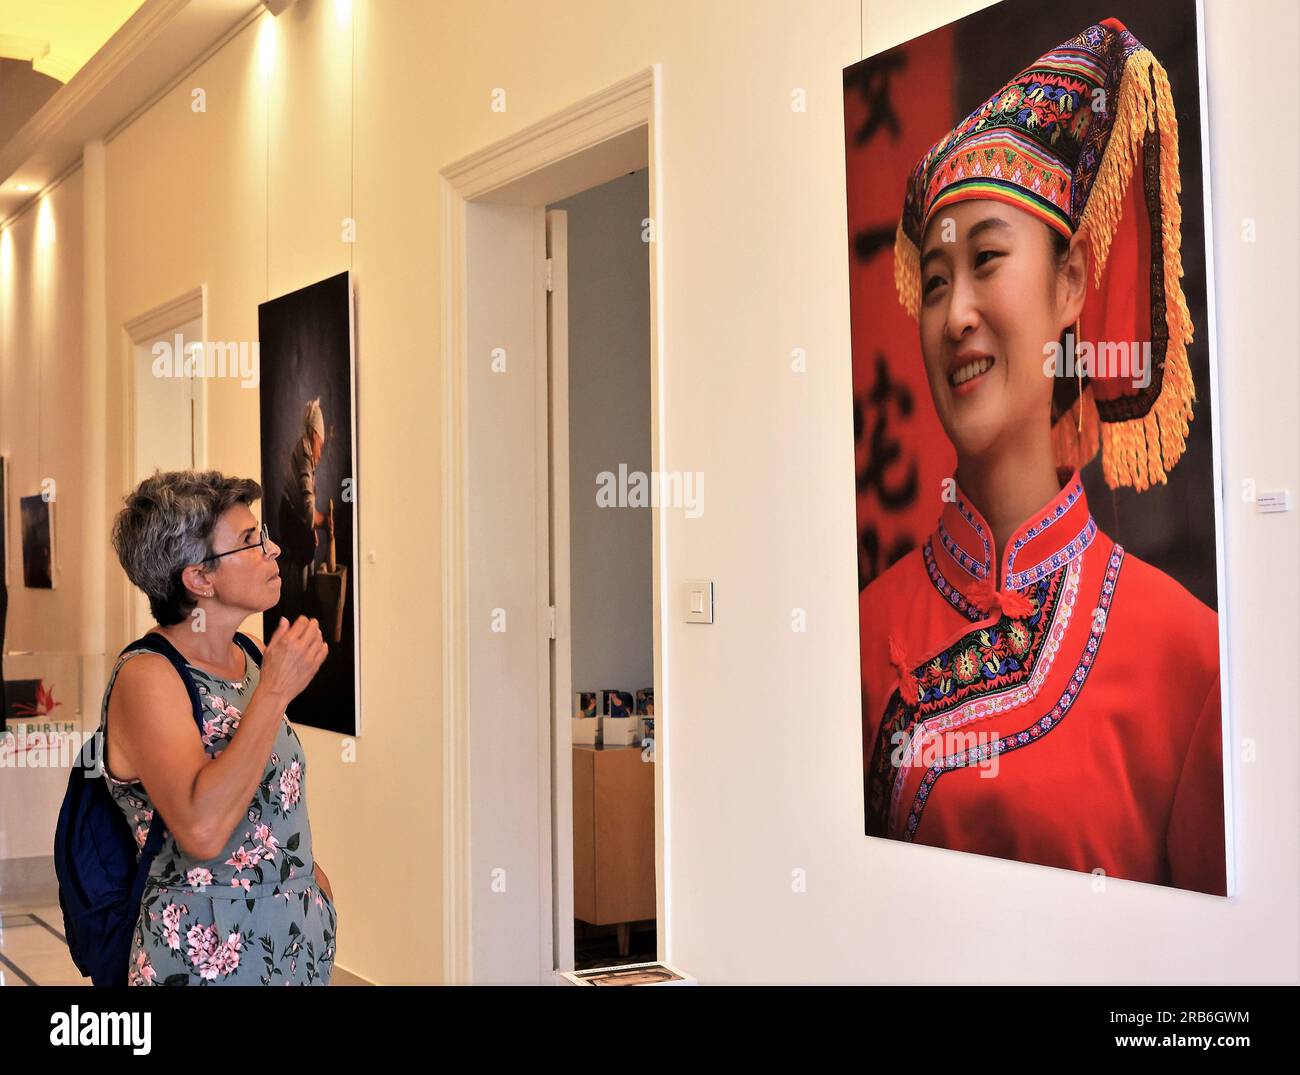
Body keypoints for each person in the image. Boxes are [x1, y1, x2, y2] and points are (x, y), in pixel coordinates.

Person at [859, 18, 1227, 895]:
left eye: (988, 260)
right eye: (937, 282)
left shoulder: (1188, 656)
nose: (955, 317)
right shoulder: (867, 632)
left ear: (1070, 286)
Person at [103, 469, 338, 983]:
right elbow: (203, 830)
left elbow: (269, 796)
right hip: (204, 954)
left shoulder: (251, 656)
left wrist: (309, 886)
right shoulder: (148, 676)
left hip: (293, 943)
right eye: (251, 542)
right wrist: (275, 693)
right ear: (199, 578)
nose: (272, 551)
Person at [277, 397, 333, 617]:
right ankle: (298, 611)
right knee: (305, 554)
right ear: (313, 435)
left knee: (309, 545)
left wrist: (313, 527)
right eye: (321, 442)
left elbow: (308, 505)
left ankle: (302, 606)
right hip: (290, 518)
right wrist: (323, 522)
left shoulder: (306, 451)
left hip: (294, 516)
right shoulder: (305, 455)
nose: (321, 448)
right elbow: (309, 511)